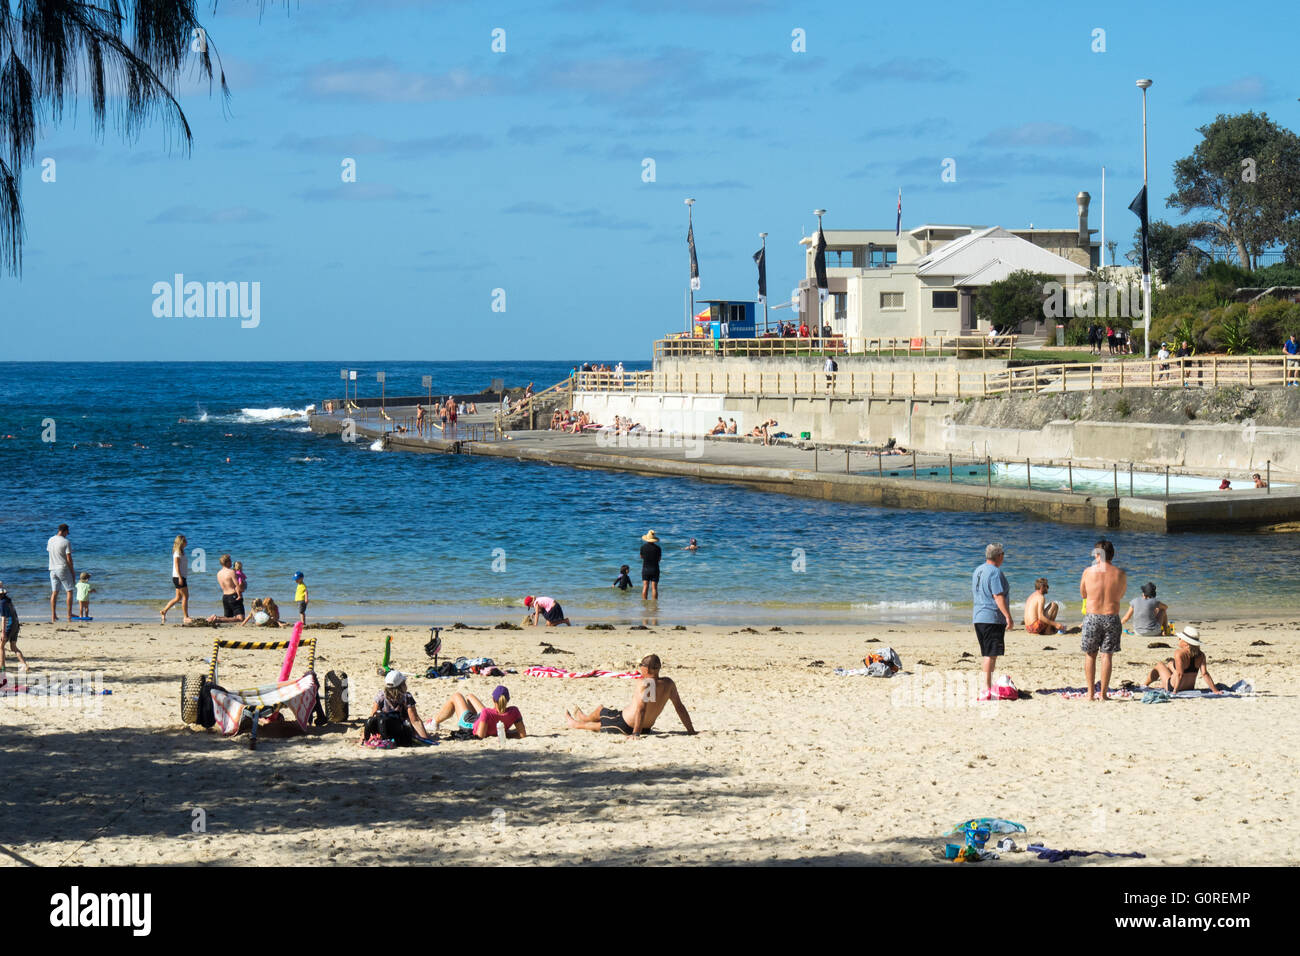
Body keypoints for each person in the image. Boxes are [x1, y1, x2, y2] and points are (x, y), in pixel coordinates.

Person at [565, 654, 696, 738]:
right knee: (605, 717)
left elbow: (642, 708)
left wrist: (635, 733)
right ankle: (584, 718)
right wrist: (691, 730)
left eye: (641, 666)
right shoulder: (668, 683)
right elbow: (679, 707)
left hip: (626, 725)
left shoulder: (647, 683)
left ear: (647, 669)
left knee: (600, 713)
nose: (640, 668)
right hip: (646, 728)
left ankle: (576, 724)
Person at [1079, 538, 1126, 701]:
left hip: (1092, 616)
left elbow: (1083, 594)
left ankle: (1091, 694)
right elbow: (1120, 595)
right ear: (1112, 555)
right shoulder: (1120, 573)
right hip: (1111, 617)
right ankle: (1103, 694)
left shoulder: (1088, 572)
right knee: (1107, 656)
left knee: (1090, 655)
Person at [972, 543, 1013, 694]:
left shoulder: (978, 570)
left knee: (988, 654)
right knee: (991, 654)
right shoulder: (995, 572)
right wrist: (1008, 616)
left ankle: (987, 685)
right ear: (999, 556)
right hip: (991, 617)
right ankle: (986, 687)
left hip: (978, 617)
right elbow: (998, 596)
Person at [1144, 626, 1223, 694]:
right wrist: (1215, 690)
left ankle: (1144, 685)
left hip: (1173, 687)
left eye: (1181, 638)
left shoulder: (1179, 653)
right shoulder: (1201, 655)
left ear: (1186, 643)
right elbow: (1205, 674)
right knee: (1170, 664)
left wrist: (1175, 691)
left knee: (1160, 665)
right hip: (1189, 687)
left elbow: (1180, 674)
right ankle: (1162, 685)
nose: (1179, 639)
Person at [429, 685, 526, 739]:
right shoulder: (514, 711)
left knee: (456, 696)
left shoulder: (487, 712)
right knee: (470, 696)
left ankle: (434, 722)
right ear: (507, 700)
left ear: (493, 699)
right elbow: (522, 734)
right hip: (486, 719)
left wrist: (496, 734)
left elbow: (480, 735)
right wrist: (504, 733)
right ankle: (434, 722)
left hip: (470, 724)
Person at [363, 670, 432, 745]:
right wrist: (425, 739)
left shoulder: (380, 696)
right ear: (402, 685)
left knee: (375, 720)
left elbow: (373, 716)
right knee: (407, 723)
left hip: (382, 731)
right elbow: (415, 720)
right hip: (399, 732)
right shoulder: (406, 697)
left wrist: (363, 738)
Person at [160, 534, 192, 624]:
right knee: (185, 597)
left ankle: (164, 611)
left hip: (180, 576)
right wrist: (180, 578)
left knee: (178, 597)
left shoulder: (182, 552)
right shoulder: (177, 553)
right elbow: (176, 566)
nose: (187, 542)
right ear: (181, 542)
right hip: (179, 577)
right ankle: (186, 617)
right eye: (185, 540)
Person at [47, 523, 75, 623]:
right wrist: (72, 571)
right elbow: (69, 559)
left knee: (54, 592)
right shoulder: (66, 542)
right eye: (67, 532)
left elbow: (50, 552)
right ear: (64, 531)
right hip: (62, 568)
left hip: (52, 568)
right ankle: (68, 615)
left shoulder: (50, 540)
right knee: (69, 591)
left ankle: (53, 615)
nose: (67, 534)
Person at [0, 584, 28, 680]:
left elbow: (3, 618)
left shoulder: (2, 603)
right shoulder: (8, 600)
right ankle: (24, 665)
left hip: (9, 625)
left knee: (1, 646)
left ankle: (2, 667)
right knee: (13, 647)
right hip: (16, 624)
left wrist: (3, 632)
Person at [217, 554, 245, 622]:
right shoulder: (231, 572)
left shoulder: (219, 573)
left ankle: (215, 617)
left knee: (228, 617)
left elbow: (222, 586)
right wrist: (240, 594)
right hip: (233, 596)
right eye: (230, 561)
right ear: (226, 562)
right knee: (241, 618)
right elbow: (237, 586)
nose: (231, 562)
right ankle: (218, 619)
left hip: (225, 597)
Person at [640, 529, 662, 600]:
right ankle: (654, 604)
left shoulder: (643, 547)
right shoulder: (658, 548)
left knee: (645, 586)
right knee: (654, 588)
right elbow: (659, 559)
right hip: (655, 569)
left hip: (645, 568)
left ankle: (644, 603)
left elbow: (641, 557)